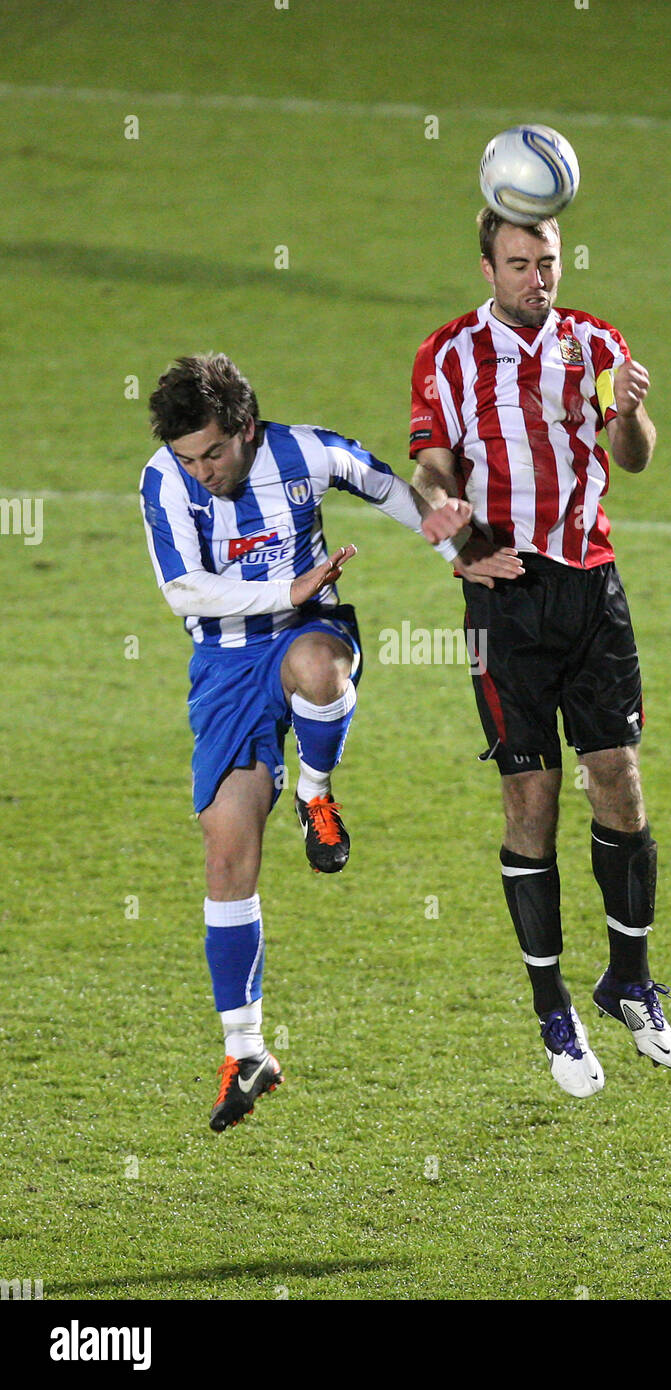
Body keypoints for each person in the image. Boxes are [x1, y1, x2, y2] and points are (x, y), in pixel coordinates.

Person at [140, 353, 485, 1132]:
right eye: (190, 458)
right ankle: (246, 1050)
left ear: (246, 428)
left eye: (214, 454)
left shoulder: (306, 452)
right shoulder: (161, 479)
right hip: (225, 668)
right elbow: (183, 589)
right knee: (227, 851)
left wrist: (457, 555)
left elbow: (393, 489)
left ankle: (316, 793)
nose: (203, 472)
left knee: (318, 674)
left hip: (309, 630)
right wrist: (282, 587)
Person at [410, 208, 671, 1099]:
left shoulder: (596, 344)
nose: (539, 278)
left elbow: (632, 459)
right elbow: (430, 465)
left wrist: (632, 413)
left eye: (550, 262)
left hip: (592, 588)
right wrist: (449, 518)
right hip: (504, 596)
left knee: (620, 775)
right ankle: (551, 1009)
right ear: (486, 265)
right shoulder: (448, 354)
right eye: (520, 263)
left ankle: (629, 981)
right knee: (530, 795)